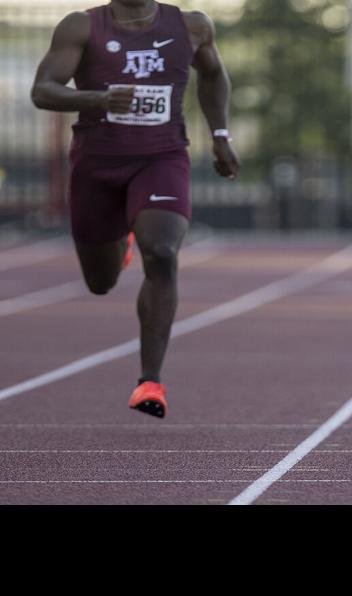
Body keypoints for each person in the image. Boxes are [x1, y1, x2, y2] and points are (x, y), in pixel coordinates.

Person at [31, 0, 239, 418]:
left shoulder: (192, 26)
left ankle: (150, 381)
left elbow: (214, 74)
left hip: (161, 158)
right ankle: (123, 236)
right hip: (97, 166)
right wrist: (99, 99)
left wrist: (219, 133)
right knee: (100, 282)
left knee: (162, 253)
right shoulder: (82, 27)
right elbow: (43, 90)